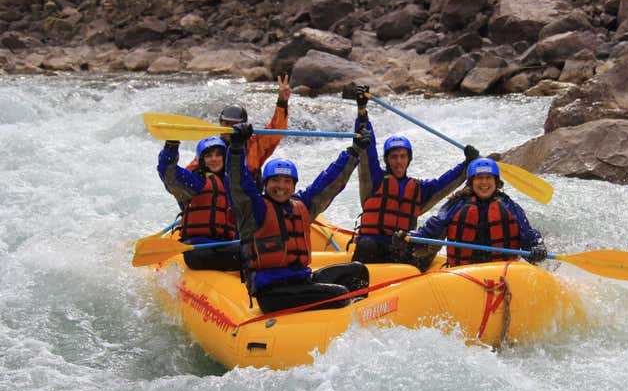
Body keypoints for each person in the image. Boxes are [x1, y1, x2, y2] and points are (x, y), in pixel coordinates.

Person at [227, 121, 372, 313]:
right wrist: (236, 149)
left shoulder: (302, 205)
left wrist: (354, 152)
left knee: (357, 271)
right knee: (339, 293)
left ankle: (358, 322)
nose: (281, 186)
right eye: (275, 180)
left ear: (294, 186)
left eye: (287, 181)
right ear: (265, 184)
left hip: (301, 281)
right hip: (273, 293)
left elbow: (329, 182)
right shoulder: (254, 209)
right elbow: (238, 183)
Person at [350, 85, 480, 264]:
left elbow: (444, 183)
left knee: (429, 234)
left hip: (400, 248)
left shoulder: (419, 189)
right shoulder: (375, 179)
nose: (398, 161)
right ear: (387, 160)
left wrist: (467, 163)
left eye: (403, 156)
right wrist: (362, 113)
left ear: (409, 159)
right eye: (394, 157)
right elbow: (367, 148)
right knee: (366, 244)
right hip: (373, 245)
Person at [396, 157, 547, 271]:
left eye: (488, 178)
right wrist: (410, 237)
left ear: (496, 182)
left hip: (502, 273)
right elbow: (433, 228)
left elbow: (528, 234)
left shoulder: (509, 206)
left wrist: (537, 246)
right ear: (471, 182)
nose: (484, 183)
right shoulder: (457, 204)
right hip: (464, 273)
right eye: (479, 178)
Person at [157, 135, 241, 271]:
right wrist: (171, 145)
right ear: (202, 160)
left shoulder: (232, 183)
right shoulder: (195, 182)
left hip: (226, 245)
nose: (214, 159)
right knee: (246, 254)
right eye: (209, 156)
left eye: (218, 155)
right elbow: (168, 172)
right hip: (199, 250)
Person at [186, 75, 292, 181]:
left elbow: (276, 130)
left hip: (247, 195)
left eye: (235, 124)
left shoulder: (255, 145)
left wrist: (282, 103)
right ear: (220, 124)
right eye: (226, 123)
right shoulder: (210, 147)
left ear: (243, 125)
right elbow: (187, 176)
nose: (230, 128)